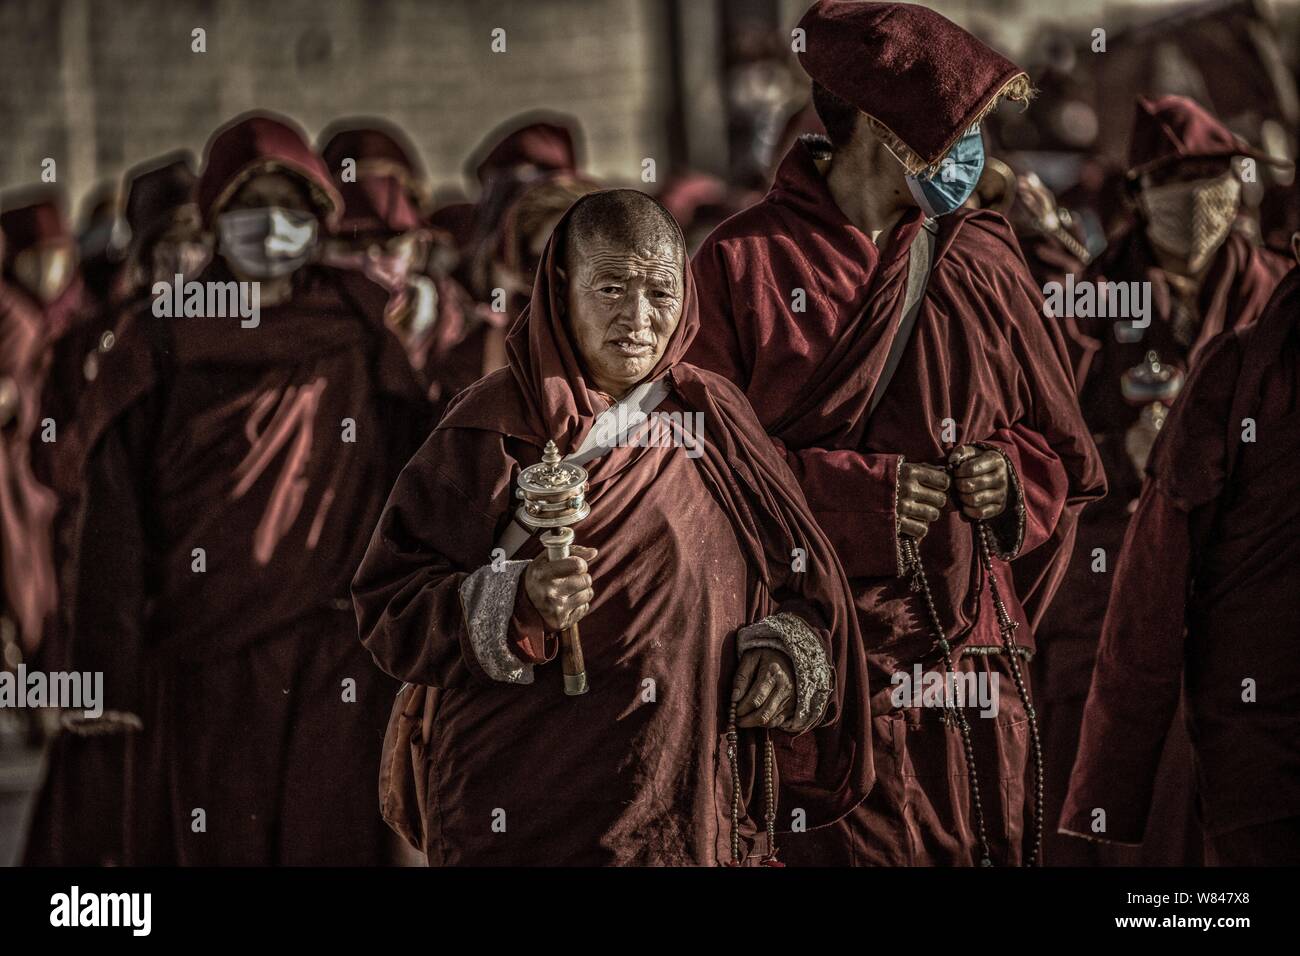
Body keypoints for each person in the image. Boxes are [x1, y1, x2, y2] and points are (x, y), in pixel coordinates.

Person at [687, 0, 1103, 866]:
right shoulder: (742, 263)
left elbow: (1065, 454)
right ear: (887, 131)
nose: (979, 157)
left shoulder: (983, 257)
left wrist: (1012, 479)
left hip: (975, 664)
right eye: (962, 130)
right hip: (833, 672)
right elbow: (699, 473)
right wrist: (855, 495)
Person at [352, 189, 872, 865]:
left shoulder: (713, 418)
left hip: (686, 797)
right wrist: (514, 604)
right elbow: (390, 603)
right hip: (528, 804)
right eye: (611, 288)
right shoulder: (496, 426)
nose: (638, 318)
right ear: (562, 289)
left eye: (661, 292)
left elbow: (801, 580)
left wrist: (784, 652)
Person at [29, 112, 432, 865]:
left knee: (330, 839)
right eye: (251, 206)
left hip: (334, 648)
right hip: (204, 658)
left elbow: (417, 476)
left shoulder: (360, 328)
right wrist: (103, 672)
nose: (270, 225)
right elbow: (110, 513)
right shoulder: (163, 335)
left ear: (317, 216)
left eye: (289, 204)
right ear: (216, 218)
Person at [1037, 94, 1293, 865]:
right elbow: (1042, 435)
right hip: (1111, 557)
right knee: (1097, 733)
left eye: (1216, 186)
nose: (1199, 208)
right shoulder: (1085, 300)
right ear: (1137, 196)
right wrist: (1121, 451)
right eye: (1174, 190)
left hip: (1232, 564)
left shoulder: (1273, 294)